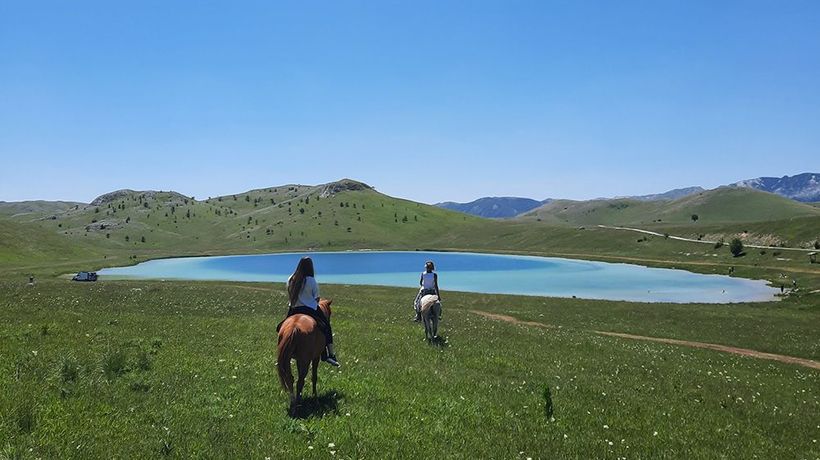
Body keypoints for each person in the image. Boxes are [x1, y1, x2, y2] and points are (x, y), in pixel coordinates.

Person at [279, 256, 339, 367]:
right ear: (310, 267)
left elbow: (290, 295)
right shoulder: (311, 281)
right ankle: (331, 354)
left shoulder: (291, 279)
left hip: (293, 309)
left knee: (281, 328)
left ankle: (283, 351)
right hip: (310, 310)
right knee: (326, 327)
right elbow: (316, 298)